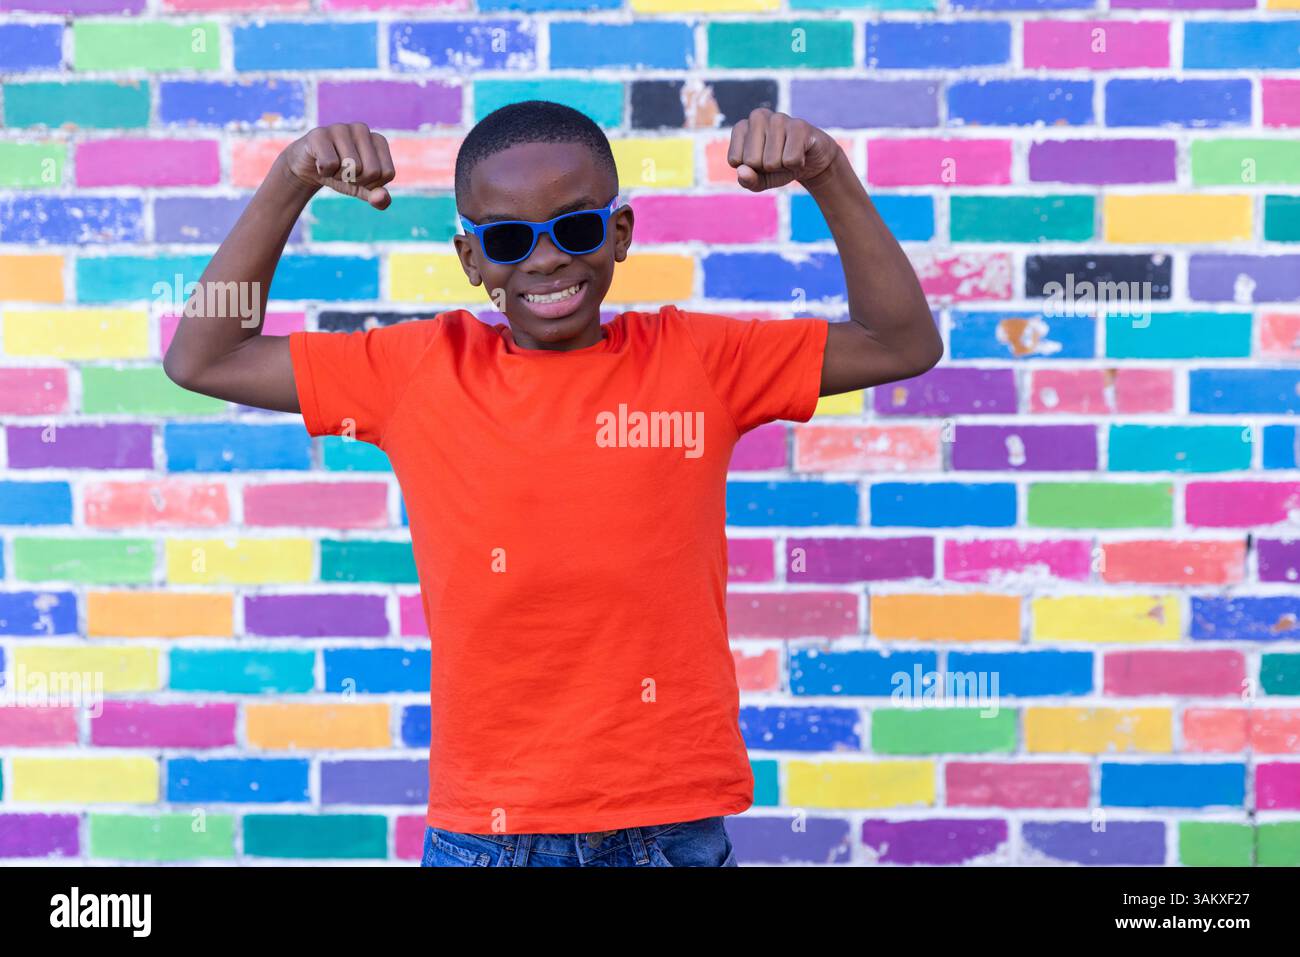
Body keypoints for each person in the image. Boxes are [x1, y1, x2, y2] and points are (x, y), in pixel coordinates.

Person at [163, 100, 941, 867]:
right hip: (487, 836)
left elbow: (900, 340)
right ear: (471, 261)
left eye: (574, 228)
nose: (544, 260)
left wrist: (827, 173)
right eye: (507, 239)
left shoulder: (699, 361)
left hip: (665, 828)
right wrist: (288, 181)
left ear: (620, 233)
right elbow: (204, 358)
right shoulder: (417, 371)